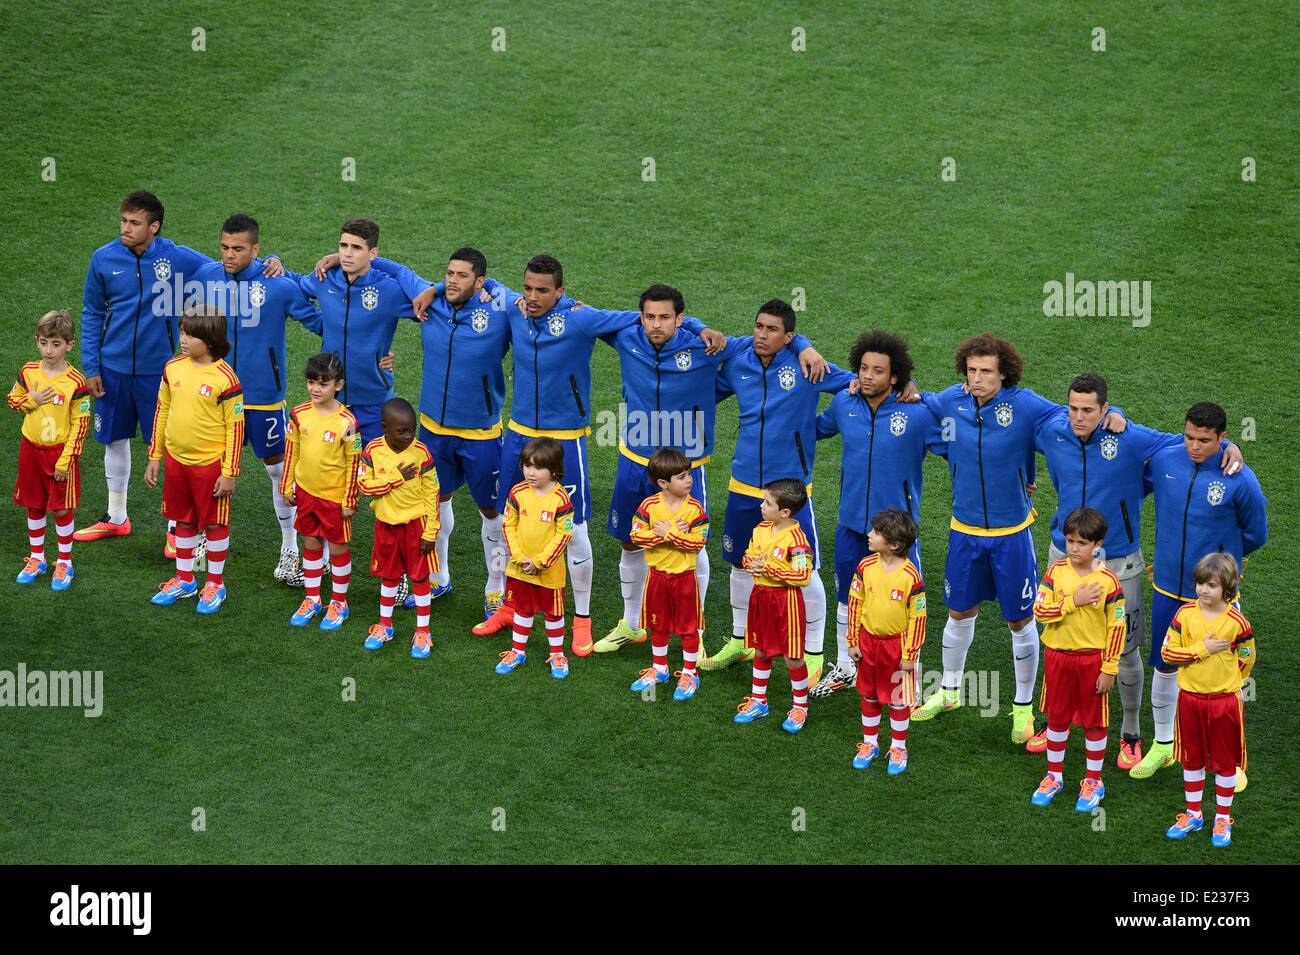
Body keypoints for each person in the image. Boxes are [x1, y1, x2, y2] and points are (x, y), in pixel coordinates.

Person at [470, 257, 712, 655]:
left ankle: (581, 620)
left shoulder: (582, 319)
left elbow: (648, 318)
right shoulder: (512, 305)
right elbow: (480, 280)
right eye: (528, 288)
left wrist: (699, 326)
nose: (532, 297)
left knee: (574, 529)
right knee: (508, 519)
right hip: (518, 435)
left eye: (542, 290)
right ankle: (511, 604)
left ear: (560, 291)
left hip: (566, 439)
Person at [913, 333, 1123, 744]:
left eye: (986, 371)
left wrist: (1117, 415)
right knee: (958, 612)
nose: (977, 378)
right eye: (971, 370)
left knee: (1021, 619)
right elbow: (918, 397)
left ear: (1003, 373)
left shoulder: (1025, 405)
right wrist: (906, 386)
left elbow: (1074, 417)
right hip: (964, 531)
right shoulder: (950, 402)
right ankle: (949, 691)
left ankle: (1023, 710)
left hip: (1011, 535)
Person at [594, 284, 823, 653]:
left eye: (665, 317)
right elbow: (590, 318)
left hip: (687, 463)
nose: (656, 324)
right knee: (629, 538)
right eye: (650, 316)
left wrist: (804, 344)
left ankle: (693, 635)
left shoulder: (706, 344)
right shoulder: (626, 336)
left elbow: (764, 339)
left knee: (692, 542)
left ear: (679, 319)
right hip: (635, 459)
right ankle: (632, 623)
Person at [1029, 373, 1243, 767]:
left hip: (1119, 559)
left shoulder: (1129, 437)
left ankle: (1130, 731)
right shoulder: (1052, 428)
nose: (1079, 418)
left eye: (1089, 411)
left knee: (1125, 647)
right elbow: (1012, 418)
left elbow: (1183, 444)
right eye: (1074, 409)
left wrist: (1229, 446)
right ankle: (1052, 719)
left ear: (1105, 409)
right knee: (1055, 634)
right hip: (1062, 552)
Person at [318, 247, 512, 618]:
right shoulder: (433, 302)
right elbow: (394, 266)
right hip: (434, 431)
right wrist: (336, 257)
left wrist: (446, 287)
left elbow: (524, 298)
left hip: (481, 434)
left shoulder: (498, 312)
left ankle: (495, 589)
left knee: (491, 511)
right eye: (448, 274)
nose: (452, 281)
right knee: (435, 502)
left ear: (481, 282)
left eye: (462, 276)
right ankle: (439, 578)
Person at [77, 192, 265, 554]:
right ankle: (117, 517)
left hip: (159, 374)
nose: (125, 229)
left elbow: (221, 265)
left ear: (154, 226)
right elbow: (91, 313)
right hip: (113, 369)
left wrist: (266, 262)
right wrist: (92, 365)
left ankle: (176, 528)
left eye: (134, 223)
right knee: (114, 439)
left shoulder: (174, 256)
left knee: (165, 444)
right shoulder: (103, 259)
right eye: (123, 221)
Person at [702, 299, 854, 687]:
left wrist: (906, 384)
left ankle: (815, 651)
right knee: (739, 562)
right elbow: (705, 390)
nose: (762, 335)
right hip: (743, 482)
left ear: (788, 336)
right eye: (758, 326)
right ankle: (741, 640)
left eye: (772, 329)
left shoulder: (807, 365)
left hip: (790, 490)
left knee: (808, 571)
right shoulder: (738, 362)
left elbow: (857, 383)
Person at [1131, 402, 1267, 782]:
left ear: (1223, 439)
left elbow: (1256, 532)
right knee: (1164, 662)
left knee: (1224, 680)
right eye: (1189, 437)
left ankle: (1230, 761)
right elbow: (1128, 435)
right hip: (1168, 589)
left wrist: (1224, 566)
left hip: (1216, 598)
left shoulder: (1240, 478)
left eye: (1204, 441)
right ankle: (1163, 745)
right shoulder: (1165, 459)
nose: (1194, 446)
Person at [811, 331, 944, 699]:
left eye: (878, 371)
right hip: (852, 524)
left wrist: (1016, 476)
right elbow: (814, 429)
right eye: (864, 368)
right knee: (847, 597)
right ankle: (845, 668)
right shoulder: (844, 405)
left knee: (904, 605)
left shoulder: (917, 415)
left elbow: (959, 450)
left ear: (895, 377)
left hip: (897, 533)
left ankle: (908, 677)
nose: (868, 376)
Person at [196, 213, 322, 586]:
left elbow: (321, 321)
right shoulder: (206, 277)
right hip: (217, 396)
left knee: (278, 470)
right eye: (224, 247)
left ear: (256, 249)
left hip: (264, 397)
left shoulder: (278, 285)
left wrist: (374, 353)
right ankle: (205, 536)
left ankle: (289, 547)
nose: (229, 255)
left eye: (238, 249)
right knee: (213, 467)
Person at [143, 306, 243, 615]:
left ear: (210, 340)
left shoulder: (227, 379)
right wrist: (155, 455)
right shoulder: (173, 368)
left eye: (191, 335)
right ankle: (184, 579)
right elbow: (162, 411)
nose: (183, 339)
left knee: (214, 523)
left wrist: (230, 472)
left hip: (210, 465)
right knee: (182, 520)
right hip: (176, 460)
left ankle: (215, 583)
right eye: (183, 332)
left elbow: (236, 428)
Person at [1027, 508, 1126, 812]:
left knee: (1094, 723)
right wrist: (1073, 602)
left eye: (1081, 543)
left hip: (1091, 662)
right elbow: (1039, 611)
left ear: (1097, 544)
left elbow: (1117, 628)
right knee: (1057, 718)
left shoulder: (1109, 582)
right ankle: (1053, 776)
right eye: (1070, 541)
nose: (1073, 548)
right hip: (1057, 657)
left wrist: (1109, 669)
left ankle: (1094, 781)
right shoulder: (1056, 572)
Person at [1160, 553, 1255, 848]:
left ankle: (1223, 818)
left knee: (1226, 763)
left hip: (1224, 703)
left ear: (1227, 588)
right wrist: (1203, 649)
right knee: (1192, 758)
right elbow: (1167, 654)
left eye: (1211, 585)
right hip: (1189, 699)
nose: (1203, 590)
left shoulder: (1237, 623)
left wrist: (1228, 683)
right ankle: (1193, 813)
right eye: (1200, 583)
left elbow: (1247, 658)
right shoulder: (1184, 615)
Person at [9, 310, 92, 590]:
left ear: (69, 345)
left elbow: (80, 427)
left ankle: (65, 562)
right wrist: (30, 399)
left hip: (59, 455)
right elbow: (13, 401)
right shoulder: (28, 372)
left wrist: (65, 462)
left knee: (60, 510)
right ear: (37, 341)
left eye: (56, 344)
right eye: (44, 343)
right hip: (29, 449)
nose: (48, 350)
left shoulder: (76, 383)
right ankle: (37, 558)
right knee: (33, 505)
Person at [280, 354, 362, 632]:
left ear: (338, 385)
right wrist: (286, 483)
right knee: (312, 543)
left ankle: (339, 602)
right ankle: (312, 598)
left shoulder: (347, 422)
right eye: (311, 382)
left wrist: (350, 499)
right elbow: (292, 451)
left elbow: (354, 462)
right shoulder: (299, 413)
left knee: (338, 547)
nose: (315, 388)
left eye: (323, 384)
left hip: (334, 498)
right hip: (306, 494)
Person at [356, 399, 441, 659]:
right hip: (386, 525)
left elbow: (432, 493)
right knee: (389, 575)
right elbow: (364, 486)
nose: (408, 436)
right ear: (385, 428)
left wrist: (431, 532)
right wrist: (396, 478)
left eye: (411, 430)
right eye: (402, 431)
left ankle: (423, 631)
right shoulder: (372, 451)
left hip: (417, 526)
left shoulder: (422, 453)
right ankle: (385, 625)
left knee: (420, 578)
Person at [845, 509, 927, 775]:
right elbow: (855, 604)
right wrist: (853, 640)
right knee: (868, 693)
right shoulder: (865, 566)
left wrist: (910, 654)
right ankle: (870, 744)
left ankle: (899, 747)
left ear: (894, 544)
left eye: (877, 532)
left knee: (897, 699)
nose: (869, 535)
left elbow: (918, 618)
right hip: (868, 643)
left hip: (897, 647)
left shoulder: (911, 577)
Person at [733, 479, 817, 734]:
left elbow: (803, 576)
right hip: (761, 597)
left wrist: (767, 567)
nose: (762, 505)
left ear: (785, 512)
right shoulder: (760, 529)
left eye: (767, 503)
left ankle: (800, 706)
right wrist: (750, 562)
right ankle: (759, 700)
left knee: (792, 657)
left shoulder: (798, 541)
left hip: (786, 602)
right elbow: (749, 554)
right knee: (761, 649)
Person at [625, 448, 710, 701]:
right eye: (682, 476)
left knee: (688, 627)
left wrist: (670, 534)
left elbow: (698, 543)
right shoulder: (649, 505)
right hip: (657, 577)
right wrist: (663, 534)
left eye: (689, 474)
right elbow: (635, 535)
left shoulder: (695, 508)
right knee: (657, 624)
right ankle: (660, 669)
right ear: (663, 483)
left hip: (684, 577)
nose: (689, 480)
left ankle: (690, 673)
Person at [490, 437, 575, 679]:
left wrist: (538, 562)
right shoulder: (517, 493)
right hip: (519, 567)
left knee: (553, 613)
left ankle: (557, 654)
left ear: (555, 470)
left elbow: (563, 534)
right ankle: (517, 650)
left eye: (538, 467)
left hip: (548, 572)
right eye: (527, 465)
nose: (531, 472)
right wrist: (519, 556)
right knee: (522, 609)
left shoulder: (561, 500)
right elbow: (508, 524)